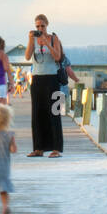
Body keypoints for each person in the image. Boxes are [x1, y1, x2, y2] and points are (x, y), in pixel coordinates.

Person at [24, 13, 79, 158]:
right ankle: (38, 148)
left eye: (42, 26)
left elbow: (57, 57)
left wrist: (46, 42)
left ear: (47, 25)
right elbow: (27, 56)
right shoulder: (33, 39)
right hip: (37, 80)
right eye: (37, 26)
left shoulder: (54, 38)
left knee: (54, 113)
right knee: (37, 114)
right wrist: (31, 39)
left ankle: (56, 148)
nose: (40, 28)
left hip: (53, 80)